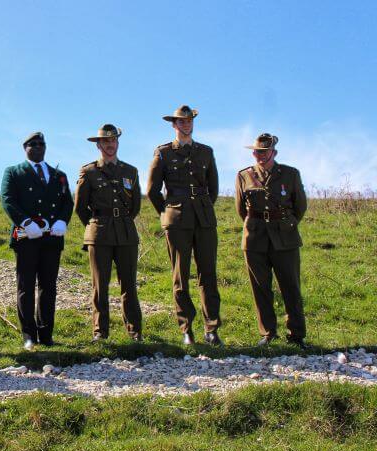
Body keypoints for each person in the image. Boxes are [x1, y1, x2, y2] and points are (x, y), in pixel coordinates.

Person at [146, 105, 223, 346]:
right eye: (181, 121)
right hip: (177, 219)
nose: (186, 124)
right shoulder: (163, 152)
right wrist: (167, 212)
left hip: (204, 219)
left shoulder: (206, 152)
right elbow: (152, 190)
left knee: (208, 274)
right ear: (174, 124)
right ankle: (186, 329)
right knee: (181, 276)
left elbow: (213, 188)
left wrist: (203, 207)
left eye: (189, 120)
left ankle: (211, 329)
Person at [0, 132, 73, 351]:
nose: (38, 147)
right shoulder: (14, 172)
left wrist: (62, 220)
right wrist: (24, 222)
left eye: (41, 143)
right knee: (26, 286)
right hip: (26, 238)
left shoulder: (58, 174)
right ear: (25, 148)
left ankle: (46, 334)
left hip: (52, 238)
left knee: (49, 286)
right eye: (33, 144)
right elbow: (8, 200)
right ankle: (29, 336)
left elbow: (67, 202)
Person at [235, 133, 309, 349]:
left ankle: (296, 335)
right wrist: (255, 225)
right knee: (260, 288)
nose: (259, 155)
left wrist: (287, 224)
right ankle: (268, 333)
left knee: (291, 286)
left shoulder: (290, 174)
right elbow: (241, 209)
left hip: (284, 237)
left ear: (273, 153)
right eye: (256, 152)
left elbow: (300, 205)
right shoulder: (243, 176)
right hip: (255, 238)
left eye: (264, 152)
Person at [74, 124, 143, 342]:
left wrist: (120, 220)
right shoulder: (89, 172)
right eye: (105, 141)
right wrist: (96, 223)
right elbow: (80, 207)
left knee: (129, 285)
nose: (110, 144)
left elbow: (135, 206)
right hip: (99, 233)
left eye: (113, 140)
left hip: (125, 233)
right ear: (98, 145)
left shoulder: (130, 171)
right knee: (100, 286)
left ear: (117, 143)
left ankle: (135, 333)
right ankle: (100, 333)